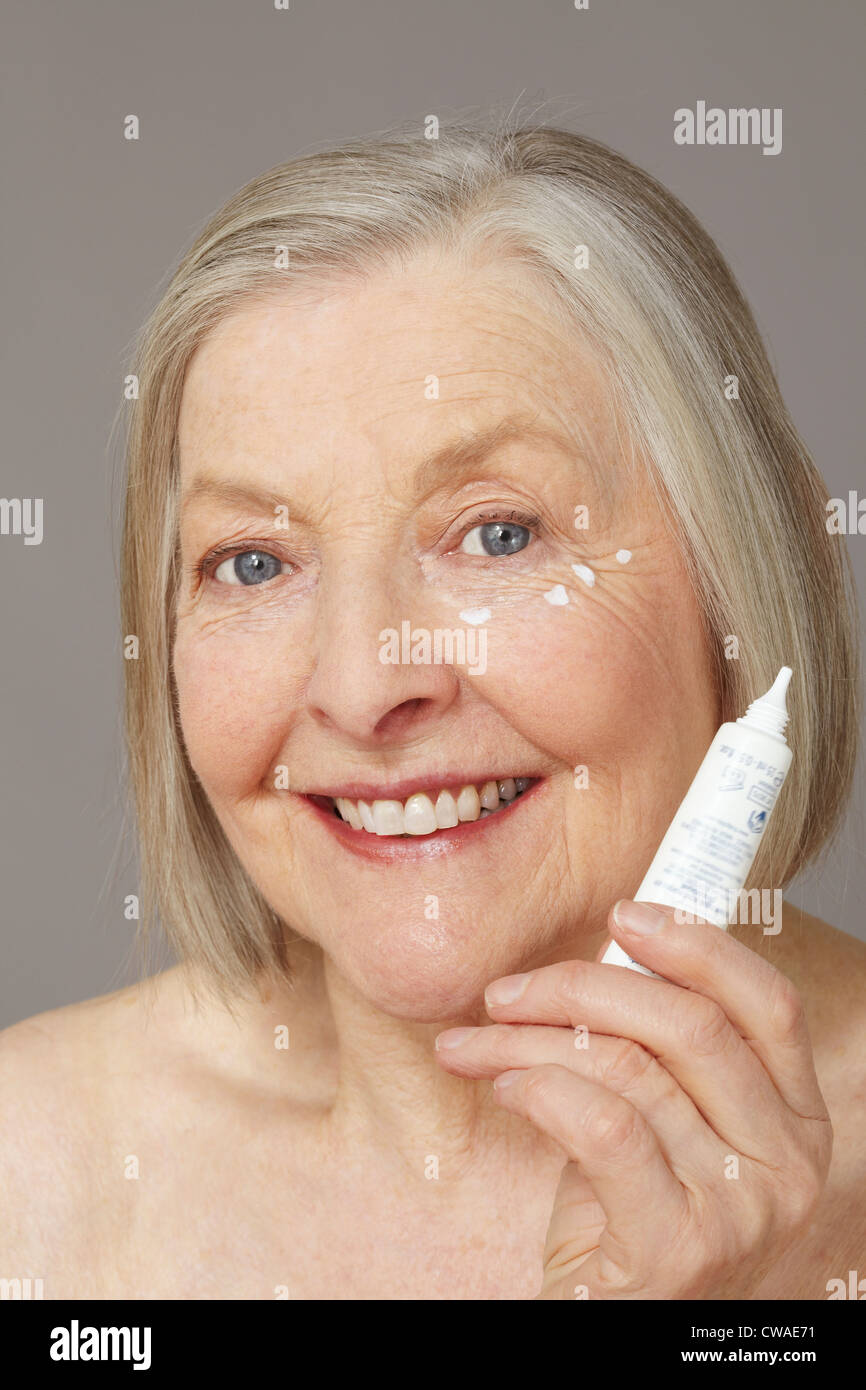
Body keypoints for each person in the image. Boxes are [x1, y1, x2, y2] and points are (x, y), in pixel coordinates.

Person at [2, 116, 863, 1300]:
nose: (361, 685)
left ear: (748, 569)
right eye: (252, 562)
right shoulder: (29, 1171)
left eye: (498, 533)